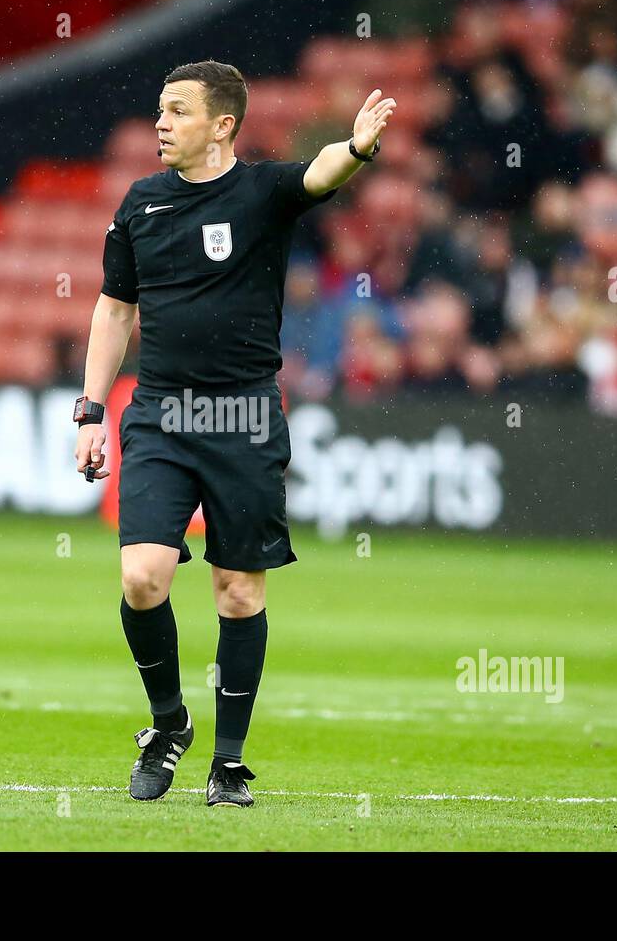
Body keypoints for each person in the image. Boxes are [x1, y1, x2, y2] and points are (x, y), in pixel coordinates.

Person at [72, 60, 394, 806]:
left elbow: (320, 174)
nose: (161, 123)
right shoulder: (140, 204)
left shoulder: (260, 193)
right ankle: (167, 724)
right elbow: (115, 309)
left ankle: (229, 762)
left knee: (237, 593)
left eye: (177, 111)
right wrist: (91, 412)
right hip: (160, 415)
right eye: (159, 110)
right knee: (142, 576)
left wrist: (361, 147)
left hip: (244, 418)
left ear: (222, 125)